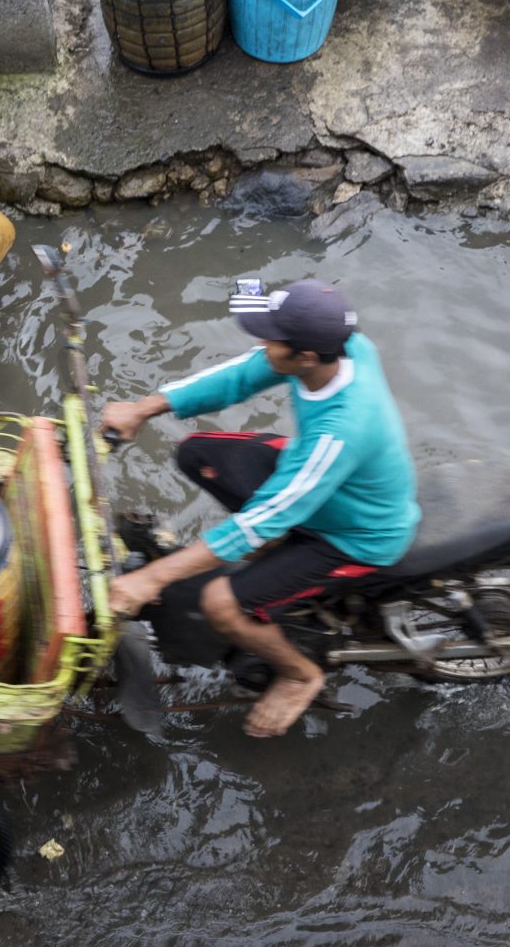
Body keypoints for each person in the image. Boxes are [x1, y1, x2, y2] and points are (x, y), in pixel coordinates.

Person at [99, 280, 419, 738]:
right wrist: (144, 408)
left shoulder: (342, 428)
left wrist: (151, 578)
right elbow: (241, 375)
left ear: (305, 356)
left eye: (272, 338)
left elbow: (260, 521)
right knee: (196, 454)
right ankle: (274, 567)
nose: (262, 344)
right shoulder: (340, 349)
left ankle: (299, 675)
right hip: (315, 482)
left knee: (220, 602)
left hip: (355, 534)